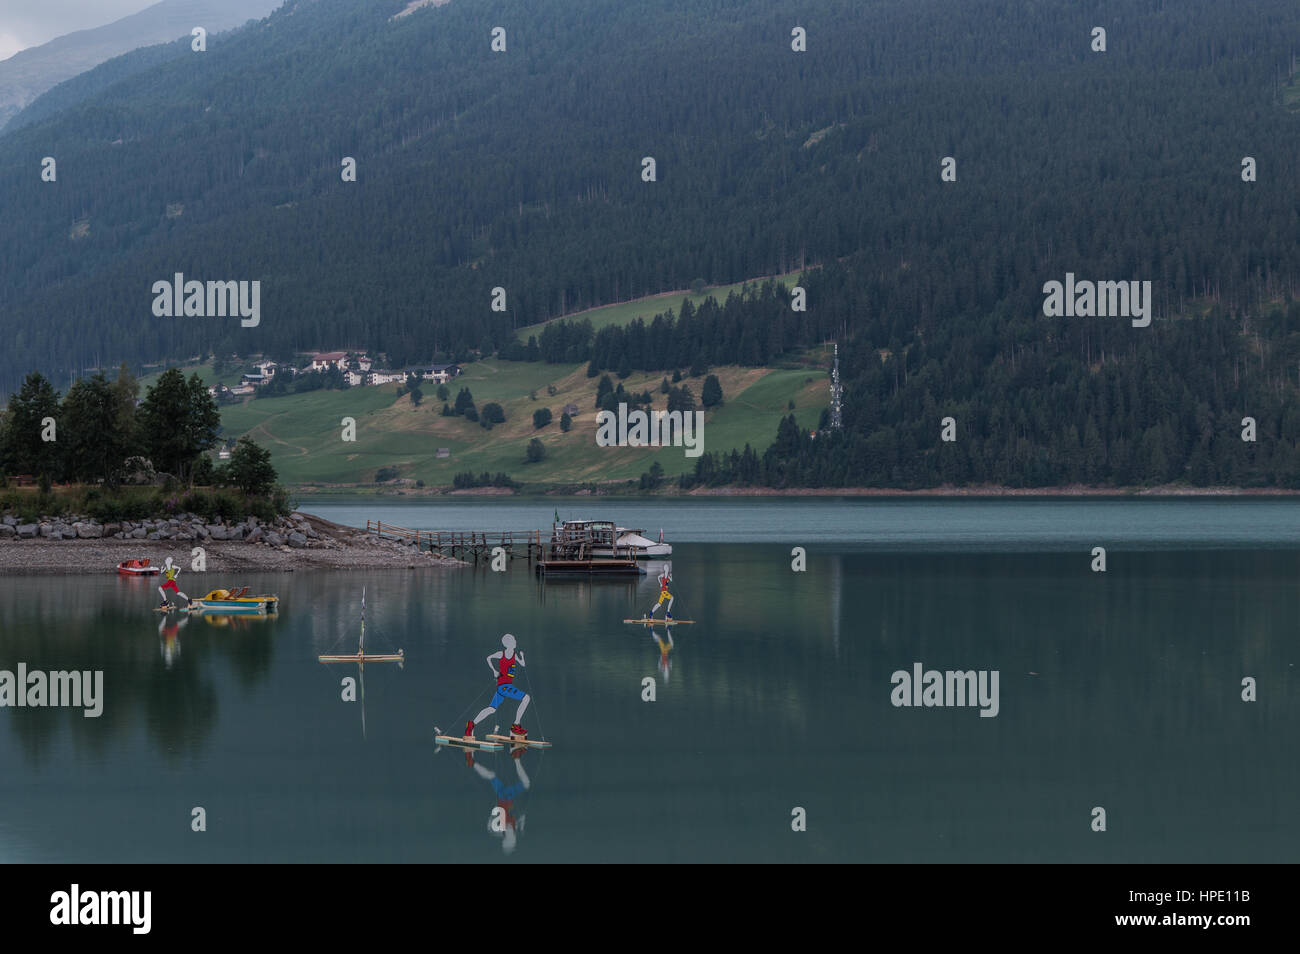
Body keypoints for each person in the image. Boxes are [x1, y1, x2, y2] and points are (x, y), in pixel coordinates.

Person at [465, 634, 530, 740]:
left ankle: (471, 725)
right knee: (526, 698)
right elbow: (488, 658)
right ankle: (516, 726)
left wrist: (522, 656)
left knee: (491, 709)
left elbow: (522, 664)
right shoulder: (501, 654)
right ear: (509, 643)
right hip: (504, 687)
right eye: (514, 640)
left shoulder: (514, 654)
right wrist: (494, 671)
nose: (515, 642)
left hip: (503, 688)